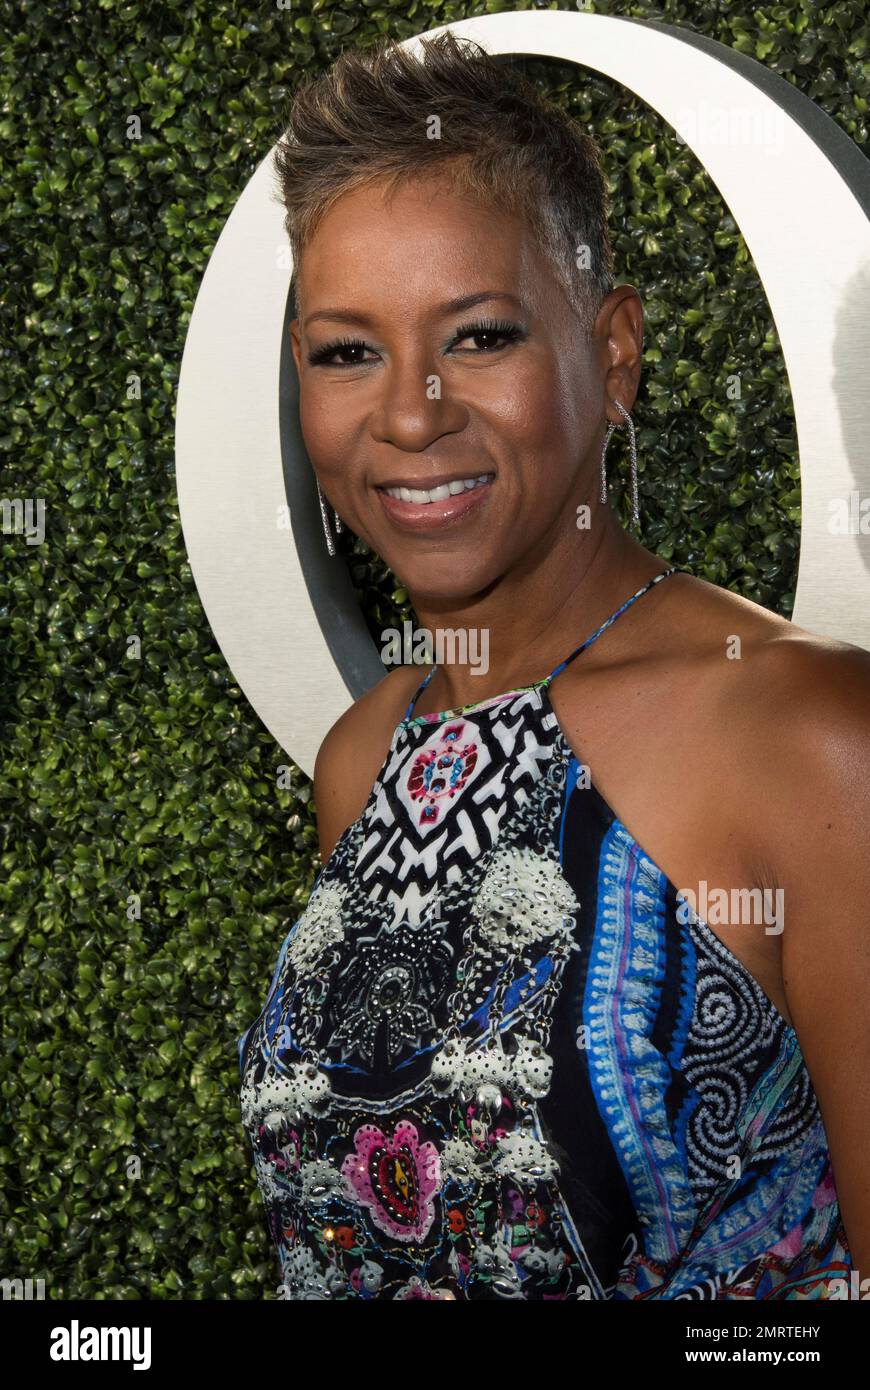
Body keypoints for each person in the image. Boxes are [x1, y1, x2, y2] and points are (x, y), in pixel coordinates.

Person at [238, 31, 870, 1300]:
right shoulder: (363, 763)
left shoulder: (807, 733)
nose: (410, 414)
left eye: (478, 335)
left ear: (615, 349)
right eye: (346, 351)